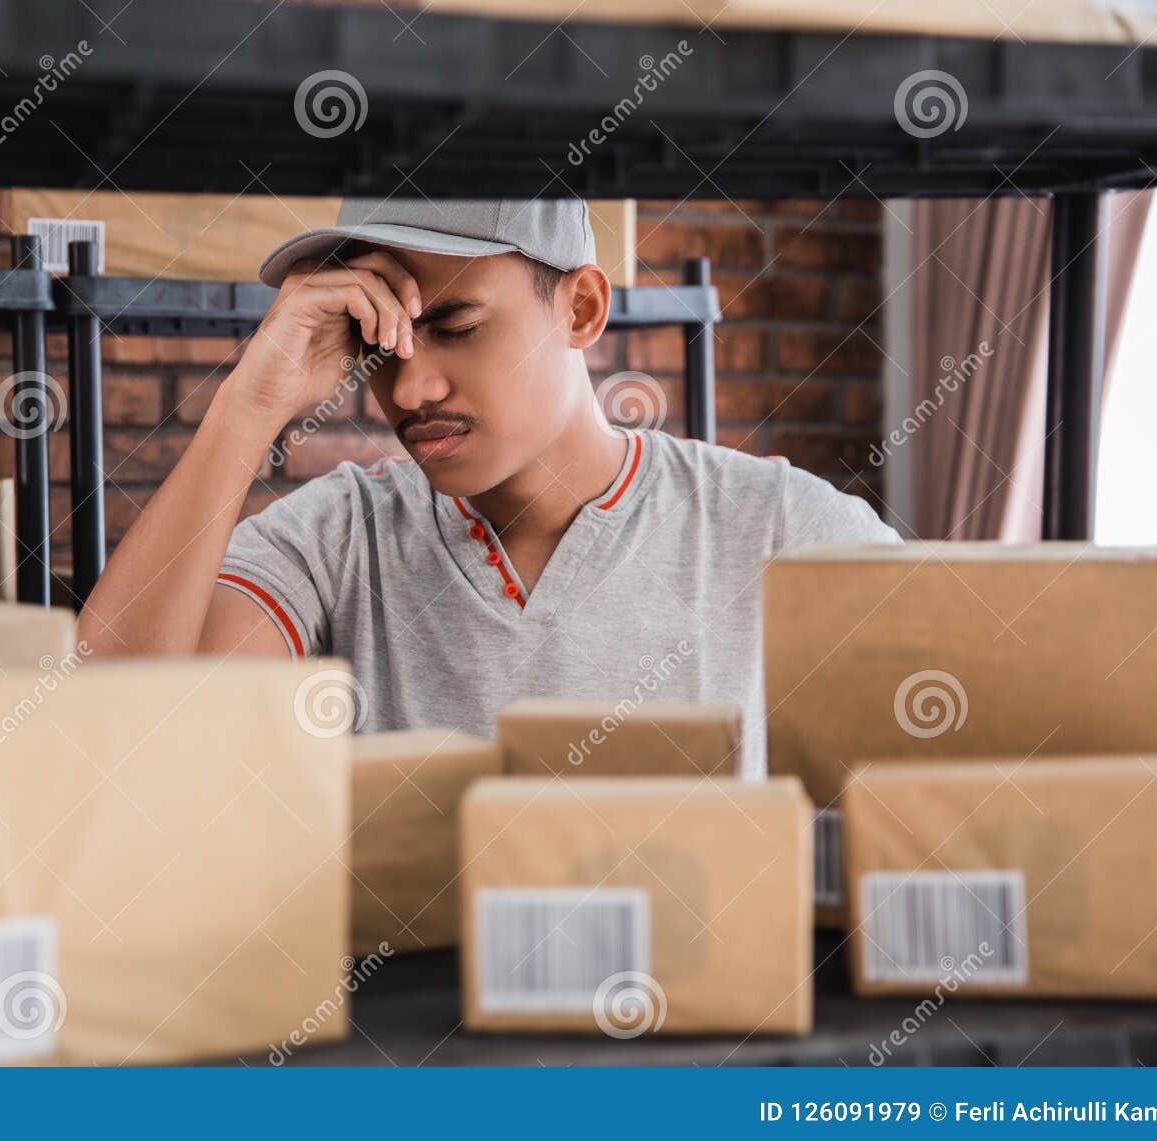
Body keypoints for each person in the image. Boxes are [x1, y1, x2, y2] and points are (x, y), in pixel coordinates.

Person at [77, 198, 900, 776]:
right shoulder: (338, 538)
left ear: (579, 309)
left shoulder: (780, 529)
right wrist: (246, 409)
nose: (409, 391)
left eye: (455, 328)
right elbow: (105, 742)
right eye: (380, 346)